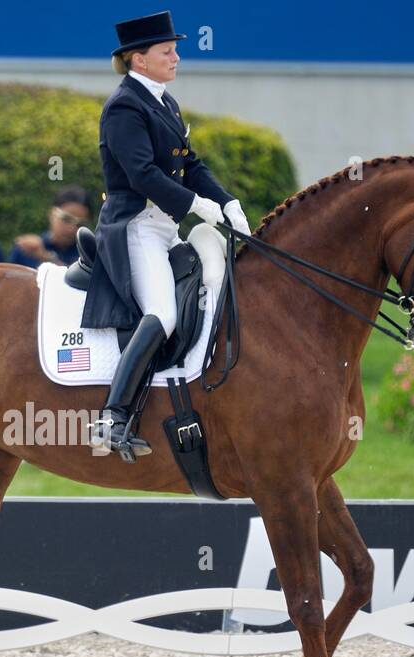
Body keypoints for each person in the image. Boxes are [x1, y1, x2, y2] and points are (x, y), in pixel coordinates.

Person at [82, 10, 250, 460]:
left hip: (164, 227)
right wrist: (195, 206)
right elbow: (141, 173)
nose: (176, 57)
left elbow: (189, 165)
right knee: (164, 312)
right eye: (167, 51)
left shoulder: (164, 103)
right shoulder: (124, 106)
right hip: (134, 226)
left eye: (174, 49)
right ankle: (113, 417)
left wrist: (227, 201)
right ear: (139, 59)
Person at [9, 185, 90, 267]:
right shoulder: (27, 250)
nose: (72, 229)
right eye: (66, 219)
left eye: (80, 224)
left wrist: (46, 257)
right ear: (52, 214)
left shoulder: (88, 256)